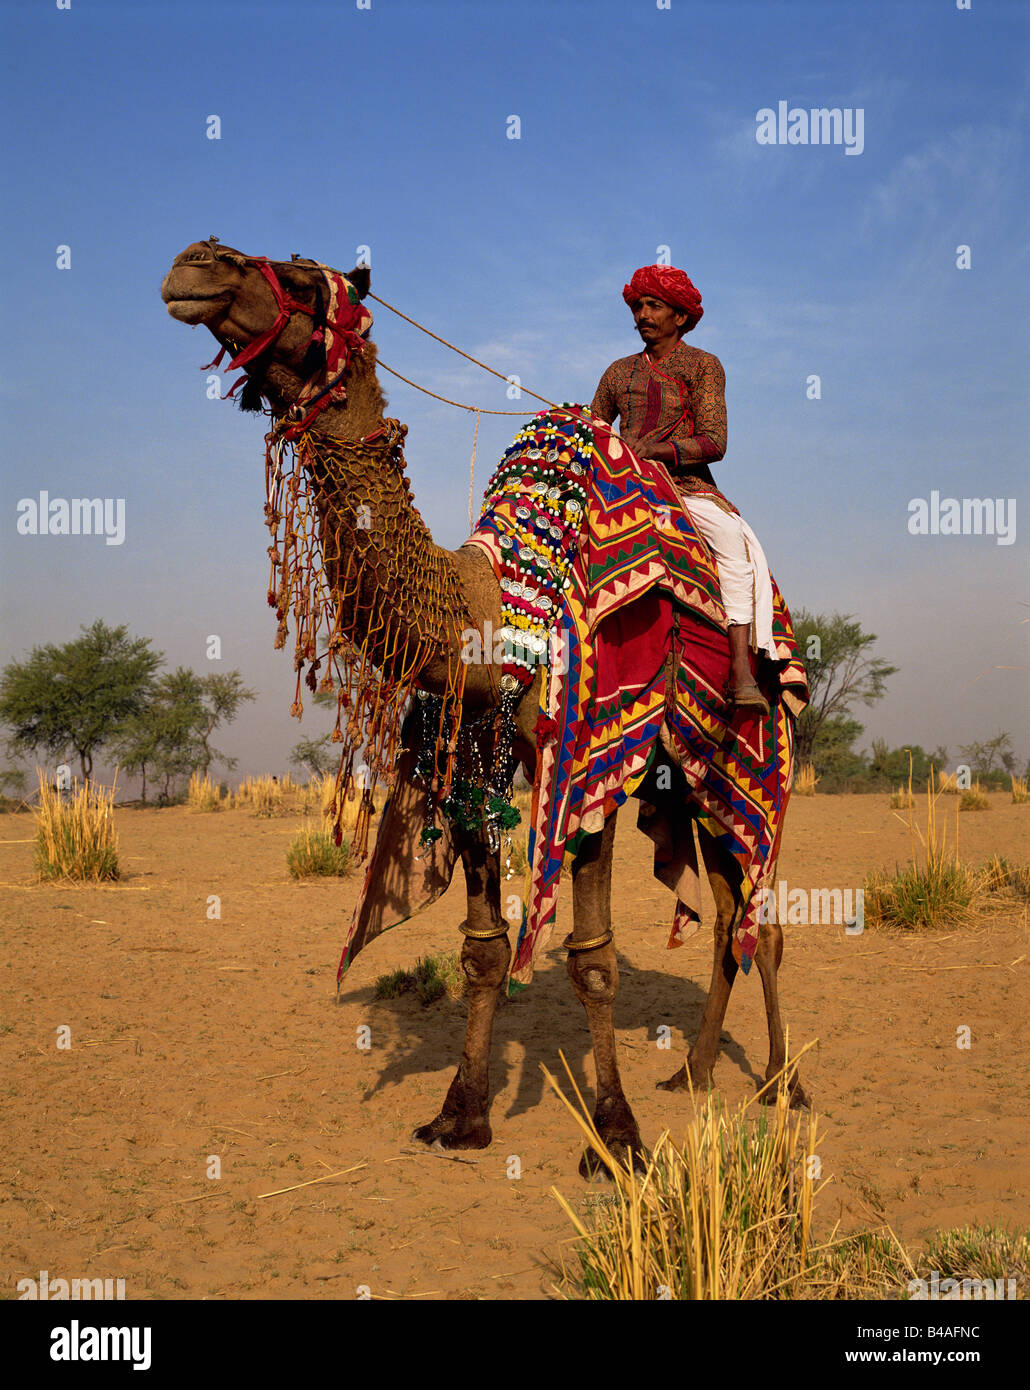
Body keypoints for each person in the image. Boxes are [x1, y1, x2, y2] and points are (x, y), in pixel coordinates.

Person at [591, 264, 776, 715]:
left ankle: (742, 672)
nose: (642, 313)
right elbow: (592, 428)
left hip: (688, 487)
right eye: (638, 305)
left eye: (653, 305)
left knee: (734, 547)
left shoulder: (704, 366)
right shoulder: (617, 373)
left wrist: (655, 449)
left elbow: (715, 442)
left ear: (680, 316)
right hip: (625, 483)